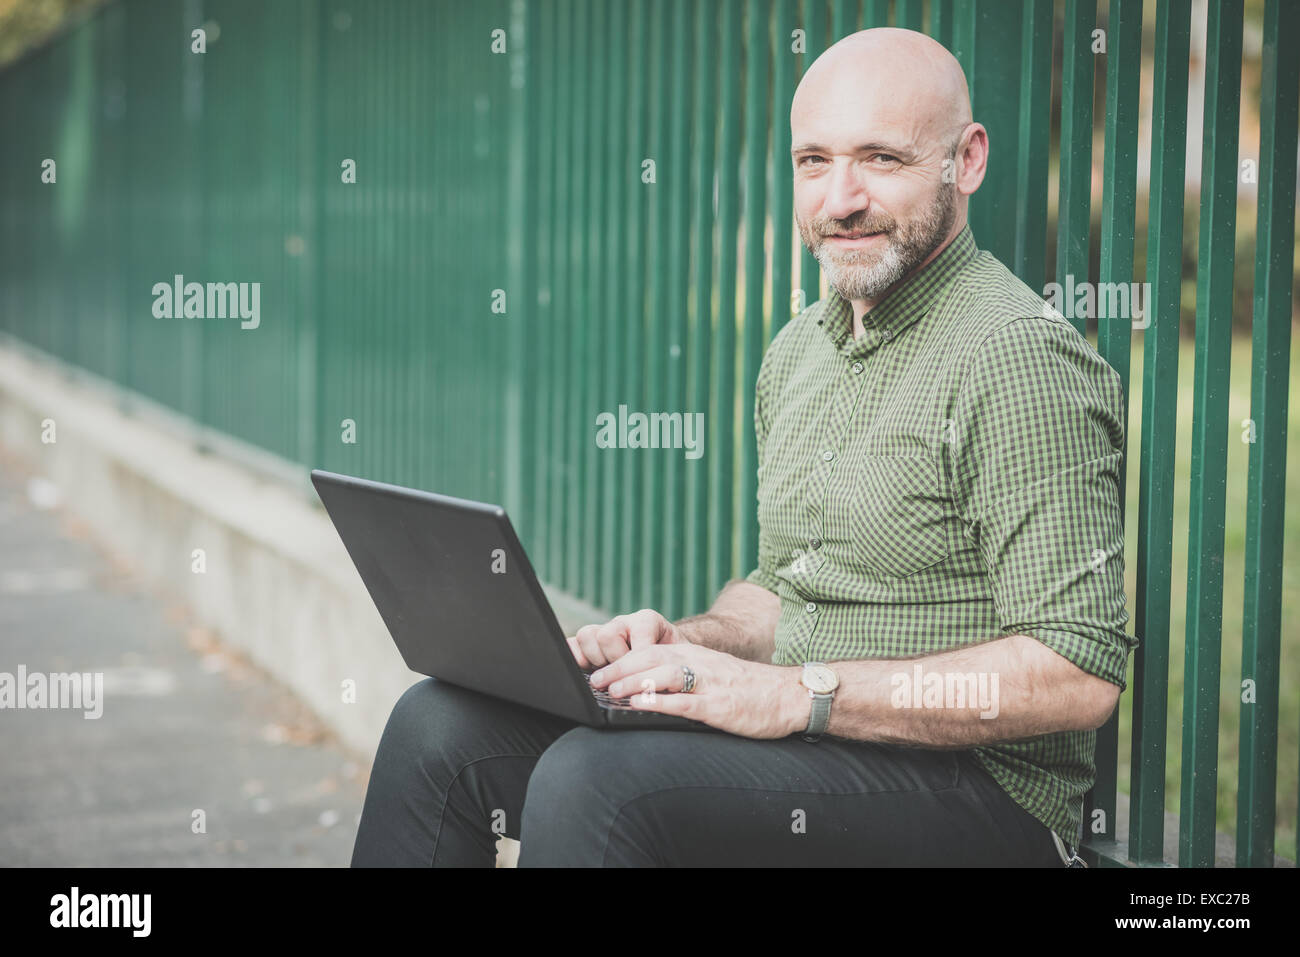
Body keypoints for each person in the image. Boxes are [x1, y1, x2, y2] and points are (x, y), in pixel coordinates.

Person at [350, 27, 1133, 868]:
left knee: (594, 781)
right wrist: (689, 645)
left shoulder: (1015, 356)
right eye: (812, 161)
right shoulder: (800, 350)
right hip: (814, 744)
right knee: (440, 726)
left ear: (965, 161)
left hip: (980, 795)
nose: (840, 198)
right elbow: (787, 588)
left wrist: (799, 695)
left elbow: (1075, 673)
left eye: (881, 159)